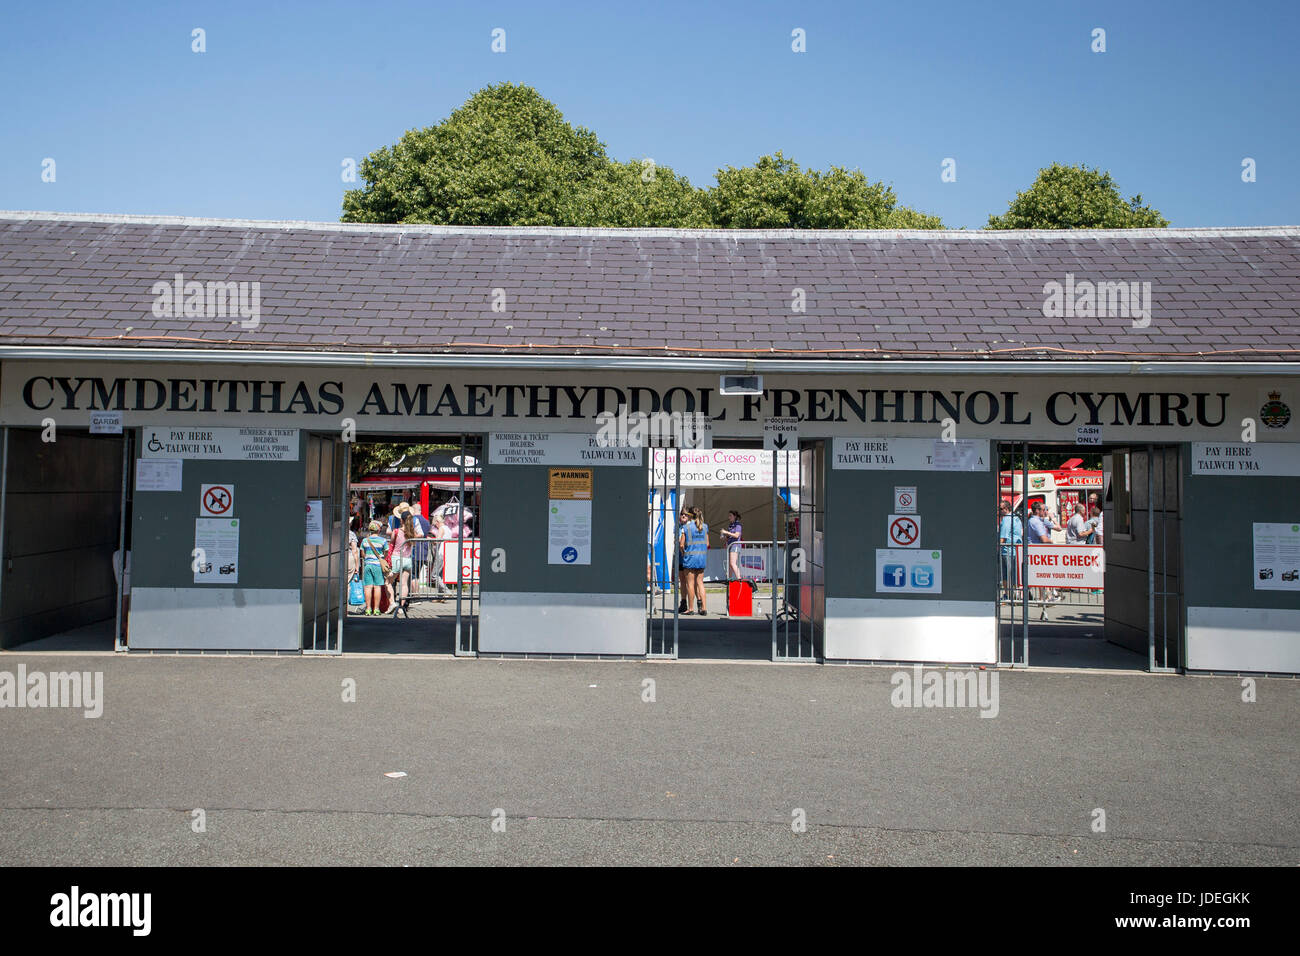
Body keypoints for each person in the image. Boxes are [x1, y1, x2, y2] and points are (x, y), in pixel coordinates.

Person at [679, 506, 709, 616]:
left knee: (690, 584)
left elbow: (681, 544)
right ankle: (703, 608)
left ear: (690, 515)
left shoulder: (686, 528)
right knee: (700, 583)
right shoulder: (705, 527)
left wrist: (684, 553)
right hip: (701, 558)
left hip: (690, 558)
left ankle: (691, 608)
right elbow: (707, 544)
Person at [391, 511, 417, 618]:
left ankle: (392, 603)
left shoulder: (396, 531)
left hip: (397, 558)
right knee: (404, 584)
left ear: (401, 520)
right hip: (407, 559)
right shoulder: (412, 533)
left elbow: (392, 543)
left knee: (389, 581)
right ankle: (401, 607)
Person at [359, 521, 389, 616]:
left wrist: (368, 557)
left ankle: (368, 609)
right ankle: (376, 609)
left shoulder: (365, 541)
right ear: (379, 529)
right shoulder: (383, 541)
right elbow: (386, 553)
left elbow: (362, 554)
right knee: (377, 587)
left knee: (368, 587)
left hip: (367, 565)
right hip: (377, 566)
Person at [997, 501, 1022, 601]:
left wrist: (997, 547)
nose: (1000, 511)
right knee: (1013, 574)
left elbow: (1003, 537)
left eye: (1001, 509)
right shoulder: (1016, 518)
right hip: (1015, 550)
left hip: (1007, 550)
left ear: (1006, 509)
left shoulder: (1007, 519)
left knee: (1006, 574)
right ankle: (1014, 594)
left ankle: (1009, 594)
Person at [719, 509, 743, 584]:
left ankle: (739, 579)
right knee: (730, 564)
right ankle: (729, 580)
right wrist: (724, 537)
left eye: (730, 516)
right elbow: (730, 536)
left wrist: (726, 532)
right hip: (730, 545)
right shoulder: (731, 525)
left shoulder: (738, 525)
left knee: (732, 563)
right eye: (729, 516)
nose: (729, 517)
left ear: (735, 516)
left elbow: (736, 535)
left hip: (735, 545)